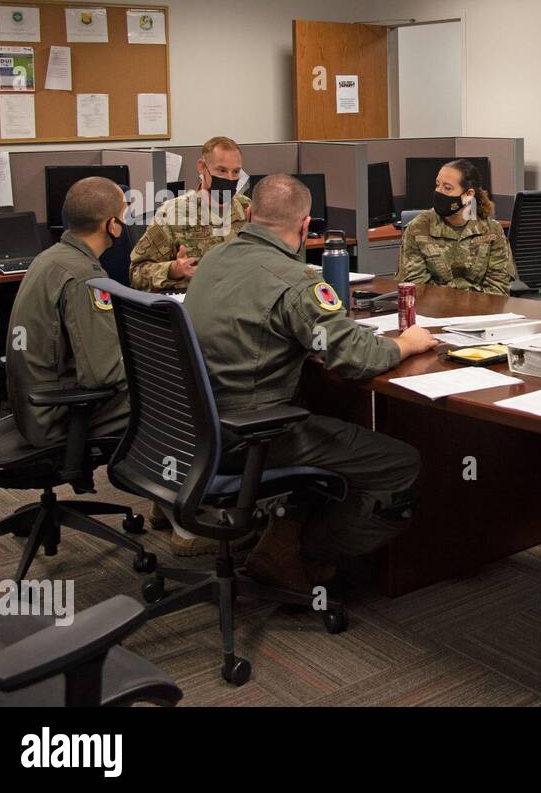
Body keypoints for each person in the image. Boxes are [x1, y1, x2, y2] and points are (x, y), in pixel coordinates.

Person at [184, 174, 439, 589]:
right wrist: (407, 343)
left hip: (192, 427)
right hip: (247, 434)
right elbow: (356, 359)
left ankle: (281, 533)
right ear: (305, 227)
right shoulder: (295, 280)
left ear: (249, 214)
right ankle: (303, 553)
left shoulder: (215, 257)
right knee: (399, 464)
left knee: (326, 415)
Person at [6, 177, 130, 449]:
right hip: (56, 417)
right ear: (111, 225)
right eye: (123, 215)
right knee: (173, 389)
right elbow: (104, 374)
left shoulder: (50, 258)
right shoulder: (84, 275)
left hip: (31, 406)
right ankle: (165, 483)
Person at [130, 136, 249, 294]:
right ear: (202, 167)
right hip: (196, 305)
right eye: (221, 170)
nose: (229, 179)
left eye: (235, 172)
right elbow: (136, 273)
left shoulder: (247, 208)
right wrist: (173, 270)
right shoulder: (173, 214)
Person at [395, 159, 514, 295]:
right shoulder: (417, 229)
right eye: (437, 185)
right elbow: (417, 289)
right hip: (434, 312)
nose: (439, 192)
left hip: (481, 312)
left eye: (447, 188)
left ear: (468, 195)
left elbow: (499, 289)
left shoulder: (492, 230)